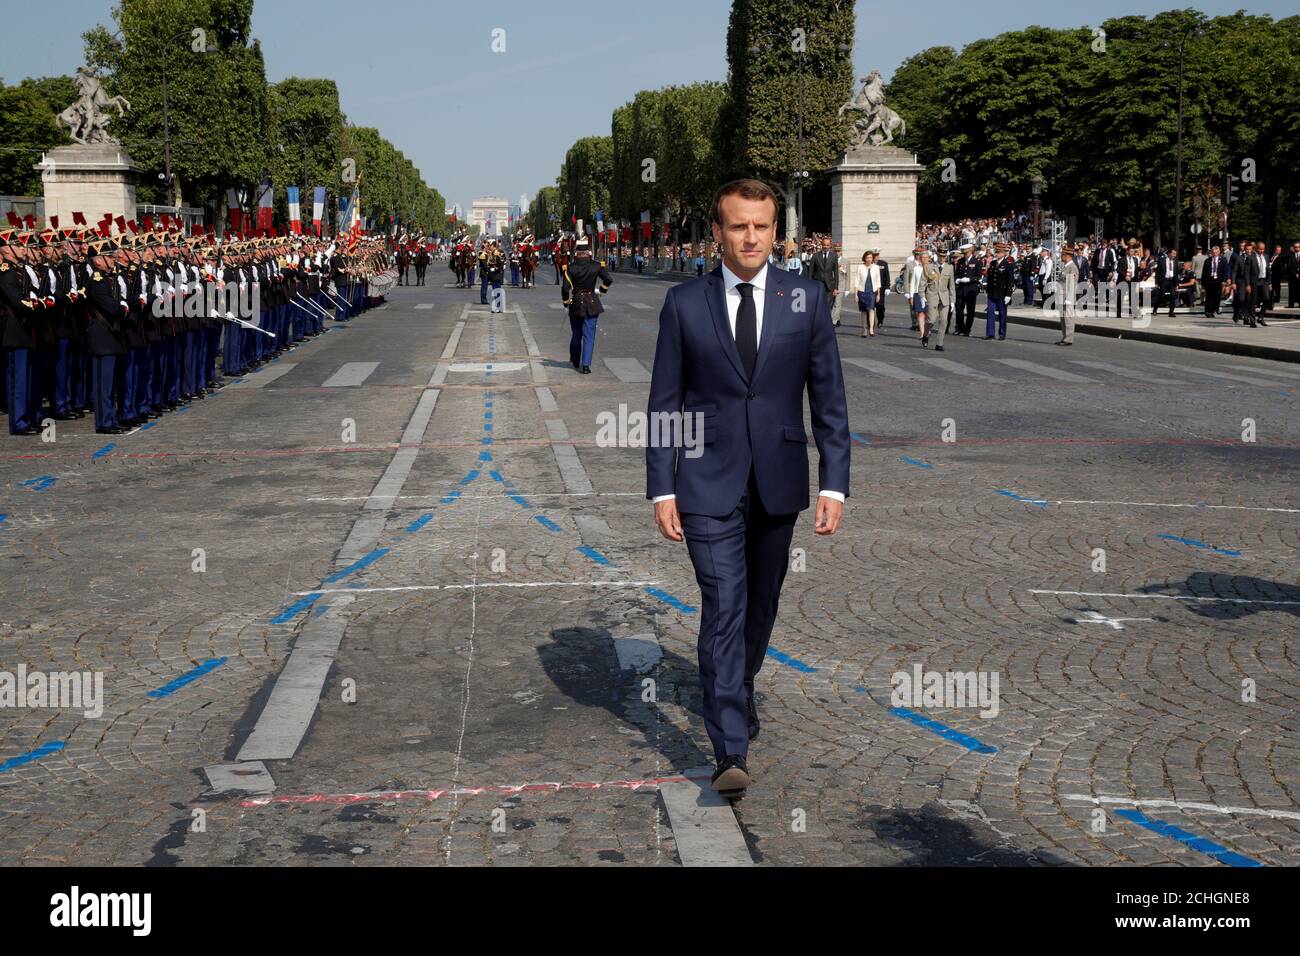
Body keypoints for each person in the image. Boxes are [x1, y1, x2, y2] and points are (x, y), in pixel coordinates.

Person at [646, 178, 849, 798]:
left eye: (761, 226)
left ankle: (740, 683)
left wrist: (834, 484)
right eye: (739, 226)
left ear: (775, 233)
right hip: (704, 483)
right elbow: (664, 403)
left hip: (779, 483)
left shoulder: (806, 298)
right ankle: (729, 745)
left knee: (761, 605)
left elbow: (829, 399)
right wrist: (662, 487)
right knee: (724, 604)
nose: (751, 237)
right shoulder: (684, 303)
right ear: (719, 233)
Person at [560, 236, 611, 373]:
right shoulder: (596, 265)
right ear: (589, 252)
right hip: (592, 301)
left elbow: (565, 288)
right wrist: (601, 290)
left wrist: (566, 302)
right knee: (589, 335)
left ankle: (576, 360)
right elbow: (608, 279)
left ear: (576, 253)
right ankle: (586, 365)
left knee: (576, 334)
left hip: (576, 301)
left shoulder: (570, 268)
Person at [925, 251, 956, 351]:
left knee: (943, 320)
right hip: (932, 296)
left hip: (944, 297)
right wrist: (922, 295)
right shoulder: (929, 266)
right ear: (937, 256)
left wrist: (952, 301)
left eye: (944, 256)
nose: (942, 258)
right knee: (931, 320)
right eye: (940, 256)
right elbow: (923, 282)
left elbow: (951, 285)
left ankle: (939, 343)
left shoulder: (949, 267)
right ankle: (925, 334)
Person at [807, 235, 840, 327]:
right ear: (821, 245)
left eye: (827, 245)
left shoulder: (834, 256)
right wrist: (810, 285)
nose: (825, 247)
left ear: (830, 246)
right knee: (818, 304)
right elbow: (810, 272)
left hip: (830, 285)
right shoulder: (815, 256)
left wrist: (836, 288)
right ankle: (819, 322)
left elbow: (836, 273)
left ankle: (824, 323)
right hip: (818, 284)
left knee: (828, 305)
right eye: (824, 245)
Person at [985, 242, 1014, 339]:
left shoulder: (1007, 264)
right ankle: (990, 333)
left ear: (1003, 253)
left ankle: (1002, 334)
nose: (996, 254)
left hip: (1002, 293)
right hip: (992, 293)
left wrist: (1008, 294)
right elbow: (990, 278)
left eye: (998, 252)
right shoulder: (993, 263)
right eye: (996, 252)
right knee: (990, 312)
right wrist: (987, 289)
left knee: (1002, 314)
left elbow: (1010, 281)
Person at [854, 249, 881, 337]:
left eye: (871, 257)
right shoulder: (860, 267)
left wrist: (878, 294)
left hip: (872, 292)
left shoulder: (876, 267)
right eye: (867, 257)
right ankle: (864, 329)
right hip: (862, 291)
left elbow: (878, 281)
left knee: (871, 310)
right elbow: (857, 281)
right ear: (864, 258)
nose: (869, 259)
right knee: (863, 311)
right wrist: (855, 295)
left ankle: (871, 329)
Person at [1057, 244, 1078, 346]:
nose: (1061, 257)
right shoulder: (1066, 267)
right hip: (1062, 297)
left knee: (1068, 319)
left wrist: (1069, 299)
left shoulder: (1071, 268)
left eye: (1062, 255)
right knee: (1063, 319)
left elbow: (1071, 285)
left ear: (1067, 256)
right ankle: (1065, 337)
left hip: (1067, 298)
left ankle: (1068, 339)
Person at [1202, 244, 1227, 317]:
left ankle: (1212, 310)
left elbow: (1225, 271)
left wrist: (1224, 280)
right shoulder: (1207, 260)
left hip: (1219, 281)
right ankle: (1207, 311)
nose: (1214, 253)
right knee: (1209, 297)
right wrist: (1203, 283)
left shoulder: (1223, 260)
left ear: (1219, 252)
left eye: (1216, 252)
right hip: (1209, 280)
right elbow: (1204, 272)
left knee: (1217, 297)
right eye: (1213, 252)